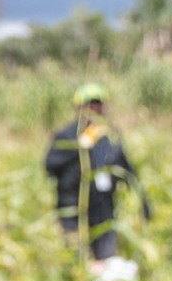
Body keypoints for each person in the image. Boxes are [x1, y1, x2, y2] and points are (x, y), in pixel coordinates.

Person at [43, 82, 145, 263]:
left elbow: (126, 169)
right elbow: (50, 166)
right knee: (77, 259)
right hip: (74, 209)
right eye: (89, 104)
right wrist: (78, 147)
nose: (94, 108)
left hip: (104, 210)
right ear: (79, 107)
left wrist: (143, 203)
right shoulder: (66, 135)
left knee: (105, 261)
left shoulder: (110, 135)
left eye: (98, 103)